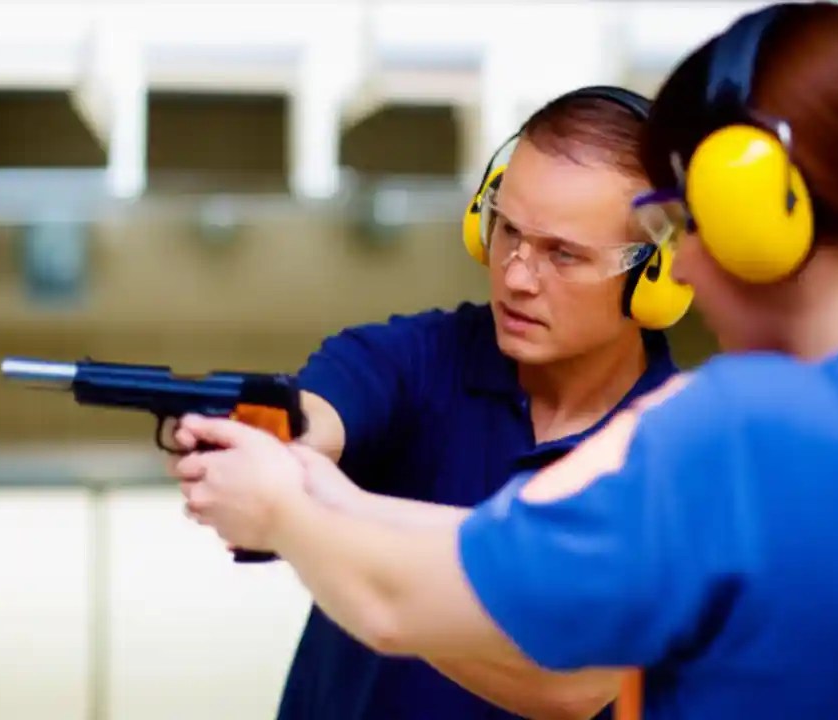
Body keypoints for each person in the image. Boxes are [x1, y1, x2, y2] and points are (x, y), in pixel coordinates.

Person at [172, 2, 838, 718]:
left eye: (685, 220)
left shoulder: (740, 429)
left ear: (754, 215)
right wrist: (305, 482)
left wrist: (285, 508)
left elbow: (540, 662)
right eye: (508, 232)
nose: (684, 269)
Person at [173, 86, 692, 720]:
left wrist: (308, 522)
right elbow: (319, 417)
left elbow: (574, 685)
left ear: (656, 272)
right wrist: (269, 442)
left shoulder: (677, 453)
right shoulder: (420, 359)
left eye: (564, 254)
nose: (517, 276)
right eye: (507, 229)